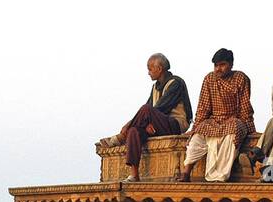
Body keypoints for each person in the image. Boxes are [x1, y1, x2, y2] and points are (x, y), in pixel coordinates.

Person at [100, 54, 192, 182]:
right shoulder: (155, 87)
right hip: (157, 124)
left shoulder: (176, 83)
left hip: (175, 124)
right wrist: (143, 124)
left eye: (150, 69)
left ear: (159, 68)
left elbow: (161, 108)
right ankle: (134, 174)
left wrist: (145, 119)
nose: (148, 73)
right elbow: (150, 109)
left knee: (145, 109)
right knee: (134, 131)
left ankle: (121, 136)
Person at [176, 49, 253, 183]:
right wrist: (195, 128)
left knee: (233, 132)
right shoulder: (209, 79)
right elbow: (203, 107)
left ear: (231, 64)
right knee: (197, 137)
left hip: (233, 120)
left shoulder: (241, 78)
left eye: (222, 65)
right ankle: (186, 172)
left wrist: (250, 128)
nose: (218, 69)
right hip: (213, 121)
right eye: (216, 65)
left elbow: (245, 106)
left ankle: (219, 177)